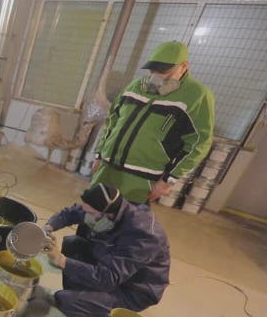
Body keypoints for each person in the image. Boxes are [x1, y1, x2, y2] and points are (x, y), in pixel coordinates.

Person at [91, 41, 215, 204]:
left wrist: (169, 179)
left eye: (164, 71)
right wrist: (99, 154)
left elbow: (199, 142)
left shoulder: (197, 95)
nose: (157, 77)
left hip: (141, 179)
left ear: (184, 66)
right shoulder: (136, 86)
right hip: (107, 168)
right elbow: (112, 120)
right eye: (153, 70)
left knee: (126, 217)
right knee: (90, 211)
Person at [38, 183, 170, 317]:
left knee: (65, 300)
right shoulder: (108, 209)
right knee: (73, 243)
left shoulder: (142, 236)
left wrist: (60, 260)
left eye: (90, 213)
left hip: (132, 290)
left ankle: (95, 306)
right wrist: (47, 228)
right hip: (110, 264)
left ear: (107, 215)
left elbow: (108, 277)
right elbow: (72, 213)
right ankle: (84, 295)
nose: (86, 216)